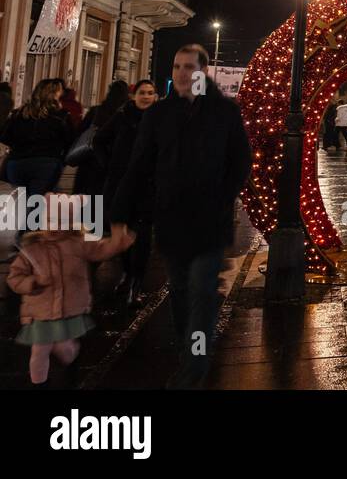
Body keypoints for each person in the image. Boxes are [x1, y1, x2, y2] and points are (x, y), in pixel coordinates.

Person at [110, 44, 252, 388]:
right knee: (179, 293)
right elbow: (139, 163)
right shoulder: (160, 114)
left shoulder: (224, 112)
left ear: (203, 71)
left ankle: (194, 368)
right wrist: (118, 214)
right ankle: (190, 349)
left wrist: (221, 196)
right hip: (171, 220)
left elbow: (241, 160)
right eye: (176, 67)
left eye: (189, 67)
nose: (182, 73)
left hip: (208, 221)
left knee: (202, 292)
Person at [6, 199, 134, 386]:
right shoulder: (32, 249)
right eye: (50, 221)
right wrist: (32, 283)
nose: (54, 227)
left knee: (63, 347)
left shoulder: (77, 243)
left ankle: (72, 360)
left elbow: (100, 249)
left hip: (69, 308)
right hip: (41, 311)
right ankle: (40, 383)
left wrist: (117, 243)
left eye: (61, 222)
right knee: (39, 350)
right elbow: (15, 278)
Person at [97, 79, 159, 307]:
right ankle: (127, 272)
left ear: (155, 96)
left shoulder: (160, 121)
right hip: (120, 184)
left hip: (147, 186)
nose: (146, 97)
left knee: (142, 235)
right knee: (120, 234)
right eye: (142, 92)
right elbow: (99, 141)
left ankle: (136, 283)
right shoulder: (122, 117)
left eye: (150, 93)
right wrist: (110, 165)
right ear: (134, 95)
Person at [0, 78, 73, 196]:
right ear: (53, 94)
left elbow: (4, 136)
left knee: (19, 202)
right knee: (37, 204)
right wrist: (61, 158)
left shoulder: (19, 113)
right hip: (46, 163)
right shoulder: (61, 116)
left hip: (17, 163)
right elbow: (70, 140)